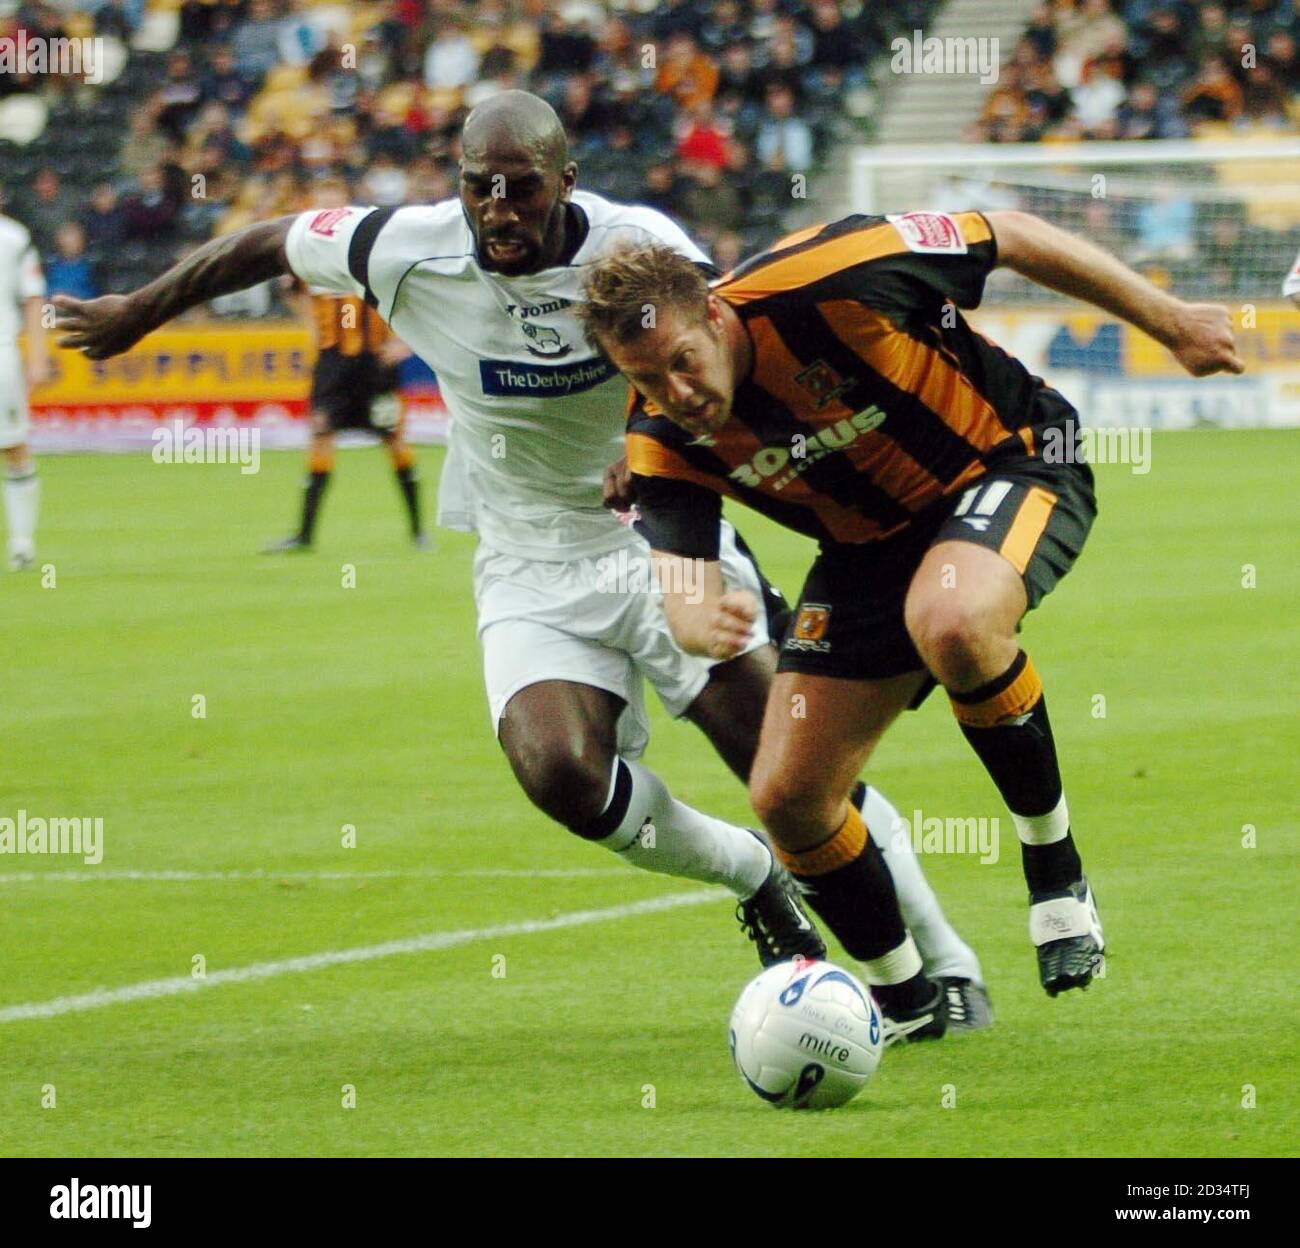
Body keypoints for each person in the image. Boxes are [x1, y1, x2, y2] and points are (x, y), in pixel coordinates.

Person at [53, 94, 988, 1039]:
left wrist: (665, 437)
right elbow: (267, 240)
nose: (498, 209)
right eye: (477, 188)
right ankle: (749, 875)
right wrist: (139, 312)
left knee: (792, 774)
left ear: (567, 181)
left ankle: (944, 963)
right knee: (557, 773)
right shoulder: (406, 245)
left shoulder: (634, 247)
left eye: (522, 188)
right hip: (523, 560)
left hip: (658, 543)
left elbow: (725, 343)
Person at [577, 210, 1243, 996]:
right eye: (646, 378)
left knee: (952, 619)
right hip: (866, 554)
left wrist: (1171, 322)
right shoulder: (658, 433)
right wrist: (693, 619)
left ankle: (1055, 870)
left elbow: (1013, 235)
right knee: (787, 799)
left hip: (1010, 460)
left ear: (716, 313)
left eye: (682, 362)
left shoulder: (835, 273)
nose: (675, 393)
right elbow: (681, 573)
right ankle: (905, 996)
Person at [264, 179, 426, 553]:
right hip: (332, 365)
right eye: (321, 206)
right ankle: (304, 536)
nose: (328, 213)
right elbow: (293, 294)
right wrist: (313, 328)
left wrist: (403, 342)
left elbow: (410, 293)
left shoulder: (372, 249)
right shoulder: (304, 254)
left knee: (394, 439)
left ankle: (418, 532)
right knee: (320, 438)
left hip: (375, 365)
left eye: (334, 205)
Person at [0, 194, 49, 571]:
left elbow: (33, 299)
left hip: (2, 351)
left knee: (13, 446)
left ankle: (21, 543)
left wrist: (36, 355)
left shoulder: (14, 238)